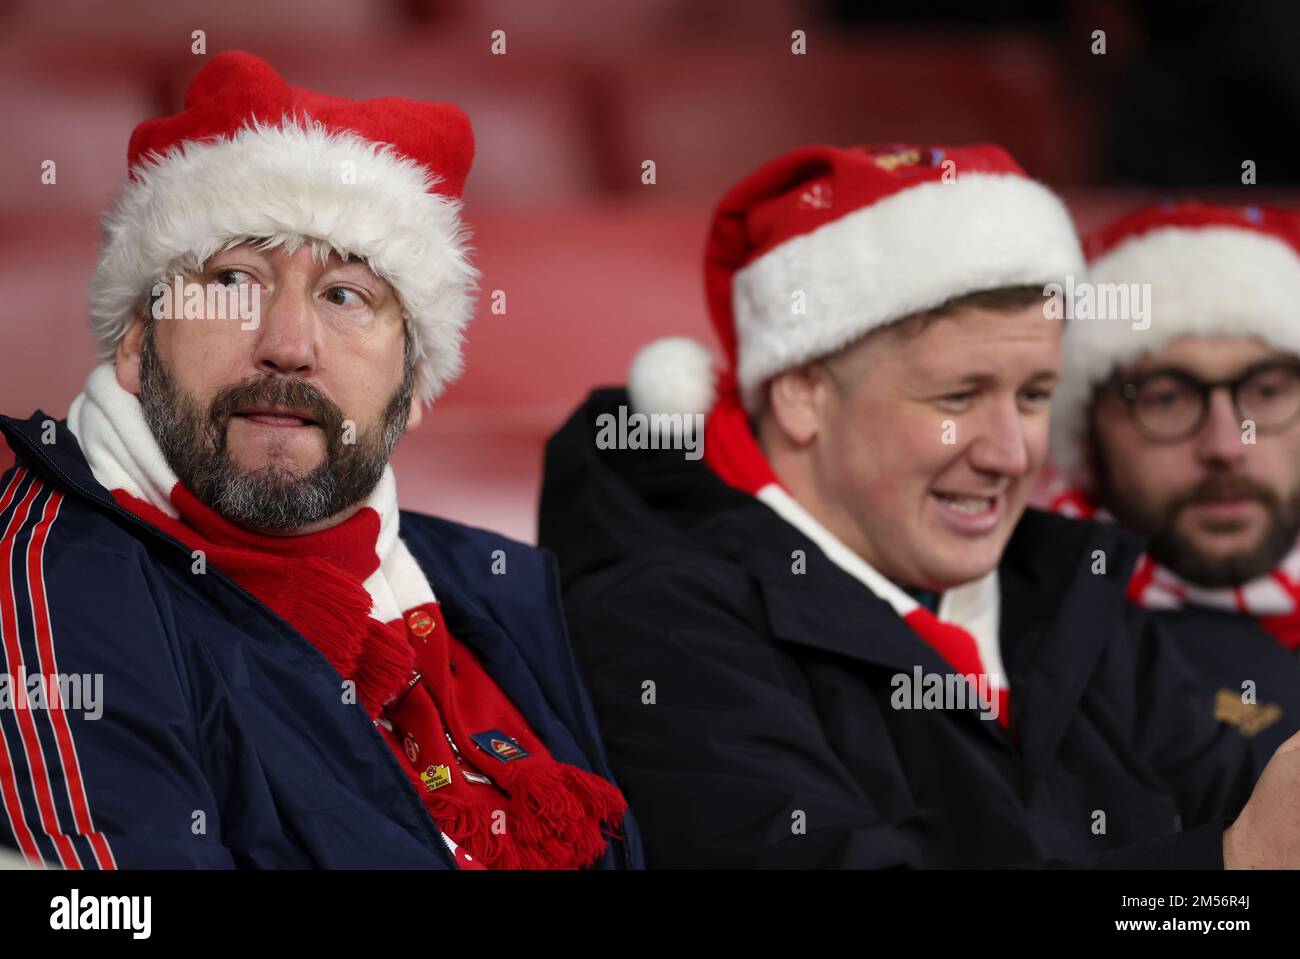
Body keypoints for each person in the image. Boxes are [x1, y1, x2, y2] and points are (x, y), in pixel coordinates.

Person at [539, 143, 1300, 868]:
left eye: (1033, 395)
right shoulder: (654, 625)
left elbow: (1237, 803)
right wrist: (1229, 867)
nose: (1010, 452)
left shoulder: (1066, 586)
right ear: (802, 392)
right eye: (959, 396)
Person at [0, 50, 640, 870]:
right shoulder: (57, 583)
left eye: (345, 295)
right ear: (135, 342)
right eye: (232, 280)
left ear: (413, 384)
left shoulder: (498, 587)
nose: (289, 346)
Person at [1048, 200, 1300, 757]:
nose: (1226, 446)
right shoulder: (1039, 651)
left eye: (1268, 391)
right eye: (1166, 398)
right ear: (1087, 435)